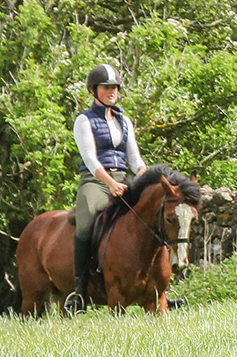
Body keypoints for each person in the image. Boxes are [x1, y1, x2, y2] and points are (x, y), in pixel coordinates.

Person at [63, 64, 147, 312]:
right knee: (88, 223)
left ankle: (158, 285)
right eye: (106, 87)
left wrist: (143, 176)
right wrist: (110, 183)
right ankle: (79, 291)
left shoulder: (125, 121)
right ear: (93, 90)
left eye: (114, 88)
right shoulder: (84, 120)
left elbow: (135, 159)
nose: (111, 91)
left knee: (154, 216)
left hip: (123, 179)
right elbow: (89, 157)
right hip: (95, 181)